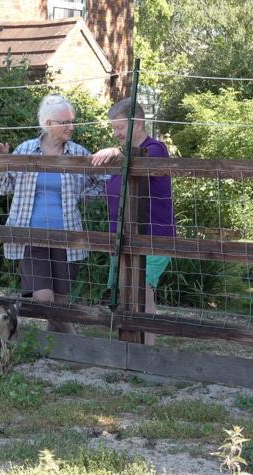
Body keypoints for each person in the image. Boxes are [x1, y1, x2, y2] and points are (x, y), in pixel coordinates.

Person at [0, 94, 105, 334]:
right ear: (49, 124)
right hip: (30, 235)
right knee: (44, 299)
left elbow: (102, 184)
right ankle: (75, 342)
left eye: (72, 121)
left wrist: (82, 195)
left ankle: (56, 348)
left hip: (67, 236)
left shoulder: (78, 153)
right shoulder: (25, 150)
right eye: (65, 122)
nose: (71, 126)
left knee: (60, 302)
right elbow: (2, 187)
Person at [91, 98, 175, 345]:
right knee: (125, 294)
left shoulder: (156, 148)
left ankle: (146, 352)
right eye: (114, 128)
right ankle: (130, 351)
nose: (116, 133)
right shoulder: (121, 157)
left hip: (152, 237)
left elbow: (142, 160)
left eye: (120, 127)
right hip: (123, 237)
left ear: (137, 122)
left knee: (142, 293)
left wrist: (117, 152)